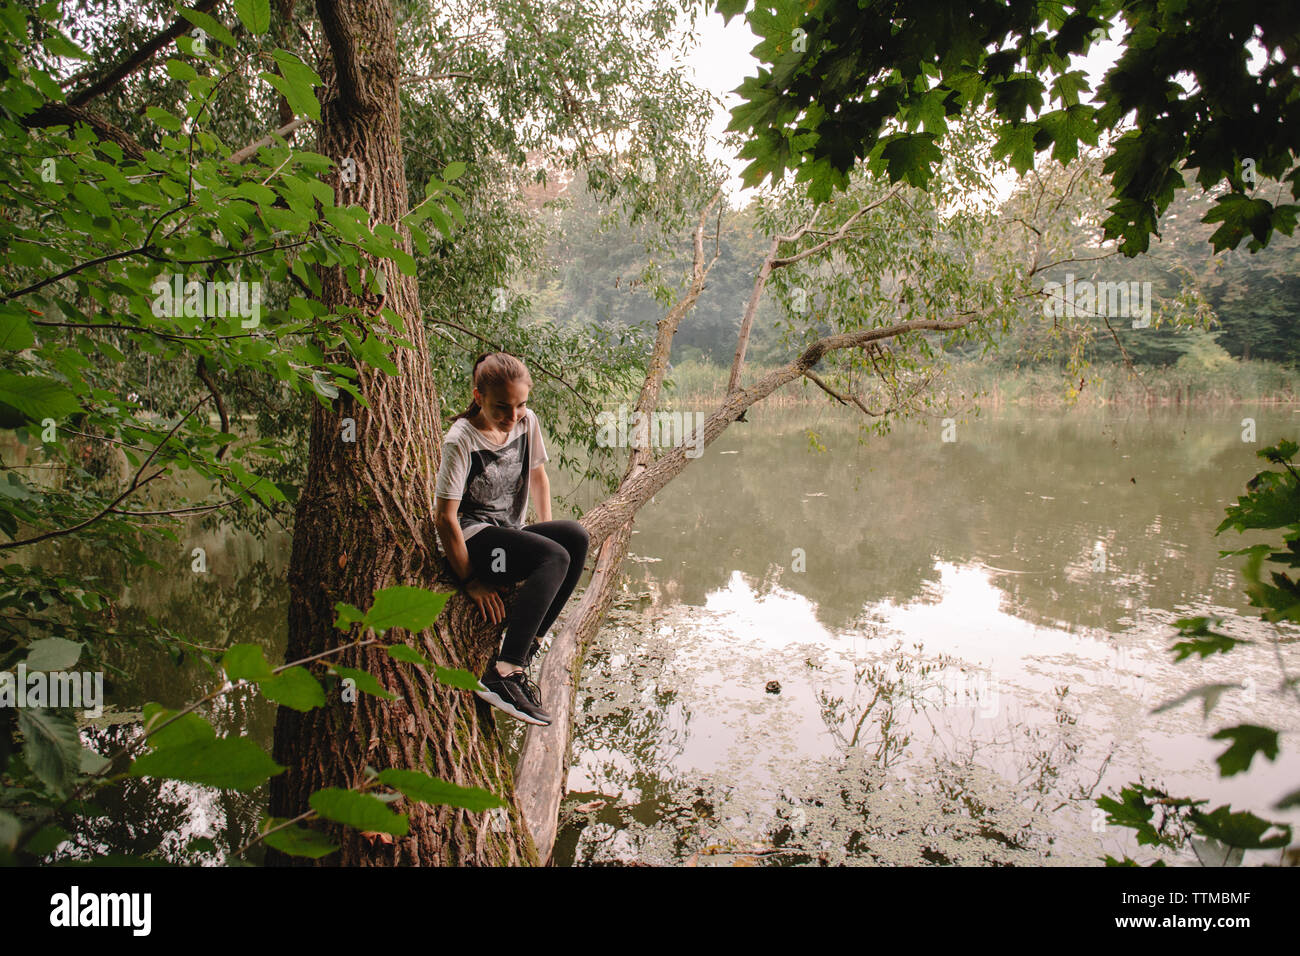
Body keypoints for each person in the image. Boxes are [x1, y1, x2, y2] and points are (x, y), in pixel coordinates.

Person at [433, 351, 589, 726]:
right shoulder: (461, 441)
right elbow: (444, 518)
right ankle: (504, 673)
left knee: (574, 539)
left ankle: (527, 644)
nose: (512, 416)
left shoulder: (526, 422)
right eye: (502, 407)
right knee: (555, 557)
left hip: (509, 533)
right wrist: (470, 580)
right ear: (478, 396)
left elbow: (538, 477)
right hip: (474, 539)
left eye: (520, 405)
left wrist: (545, 535)